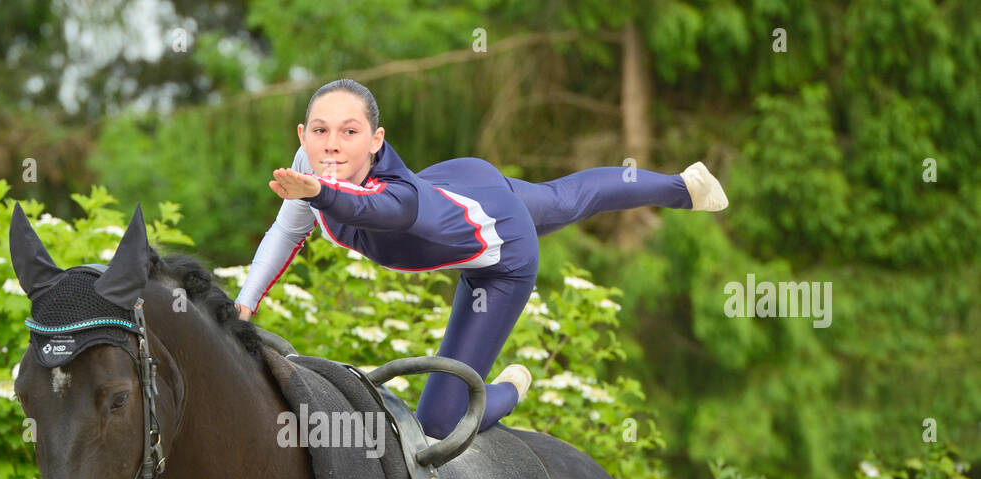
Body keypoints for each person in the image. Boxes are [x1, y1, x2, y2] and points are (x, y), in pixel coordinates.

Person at [235, 78, 727, 439]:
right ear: (303, 135)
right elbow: (286, 229)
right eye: (320, 131)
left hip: (502, 255)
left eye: (349, 132)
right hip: (470, 182)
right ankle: (684, 187)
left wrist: (319, 191)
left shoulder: (394, 191)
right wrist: (245, 302)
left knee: (438, 425)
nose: (332, 146)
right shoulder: (309, 168)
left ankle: (511, 387)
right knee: (563, 198)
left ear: (377, 140)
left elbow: (380, 210)